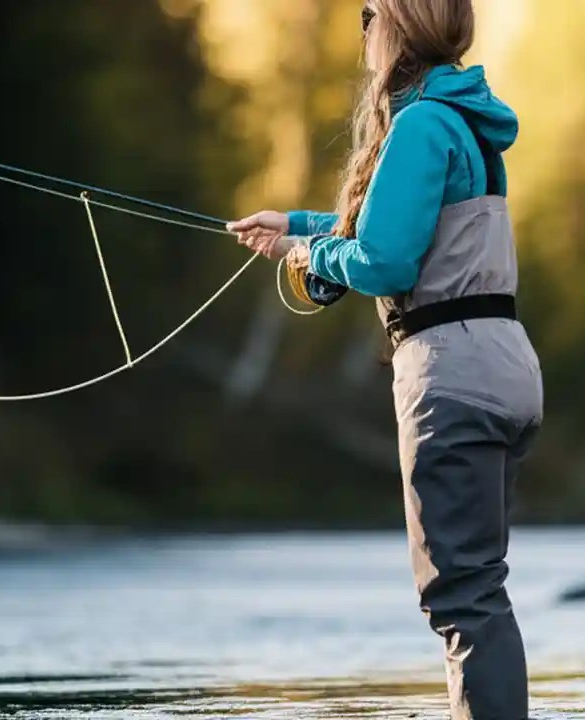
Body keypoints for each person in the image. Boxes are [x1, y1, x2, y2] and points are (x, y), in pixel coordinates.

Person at [227, 2, 542, 718]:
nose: (363, 28)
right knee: (481, 589)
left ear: (398, 26)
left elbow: (386, 258)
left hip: (453, 376)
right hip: (502, 369)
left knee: (462, 595)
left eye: (369, 14)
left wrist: (310, 252)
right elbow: (395, 225)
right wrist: (299, 226)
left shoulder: (421, 125)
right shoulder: (461, 120)